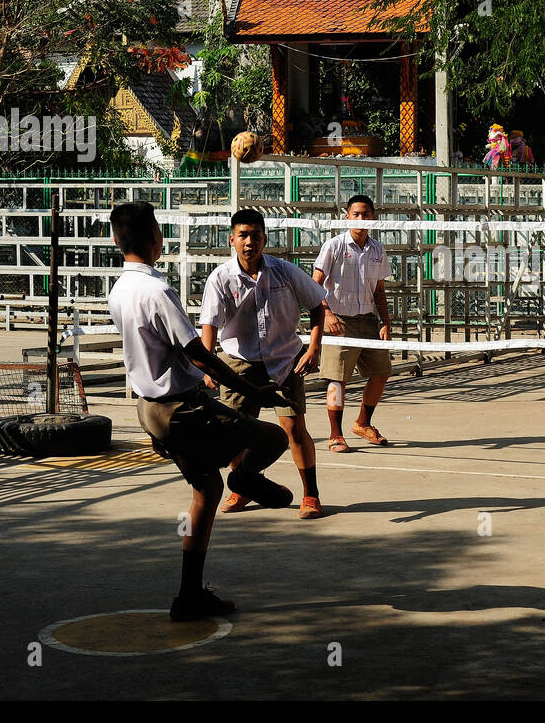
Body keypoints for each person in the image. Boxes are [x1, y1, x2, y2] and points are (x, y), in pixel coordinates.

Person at [107, 201, 294, 621]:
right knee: (273, 437)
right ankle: (244, 477)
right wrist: (254, 390)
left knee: (207, 493)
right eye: (158, 229)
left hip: (149, 407)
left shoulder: (120, 289)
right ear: (155, 238)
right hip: (181, 409)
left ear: (117, 241)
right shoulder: (156, 290)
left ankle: (189, 595)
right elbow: (202, 356)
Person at [199, 209, 329, 519]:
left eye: (255, 236)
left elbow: (317, 305)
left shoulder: (284, 271)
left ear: (264, 239)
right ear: (231, 239)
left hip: (285, 360)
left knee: (295, 428)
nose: (249, 242)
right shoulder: (221, 277)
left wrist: (314, 348)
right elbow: (210, 325)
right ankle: (244, 488)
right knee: (234, 433)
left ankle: (311, 494)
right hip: (239, 364)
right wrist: (208, 367)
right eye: (242, 235)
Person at [312, 194, 394, 452]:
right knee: (337, 379)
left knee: (381, 373)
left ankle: (362, 423)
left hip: (368, 320)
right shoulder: (334, 246)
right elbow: (313, 285)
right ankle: (335, 435)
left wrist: (385, 321)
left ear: (374, 218)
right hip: (339, 320)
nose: (361, 219)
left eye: (366, 214)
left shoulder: (377, 249)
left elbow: (379, 290)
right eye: (356, 214)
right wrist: (327, 315)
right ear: (346, 217)